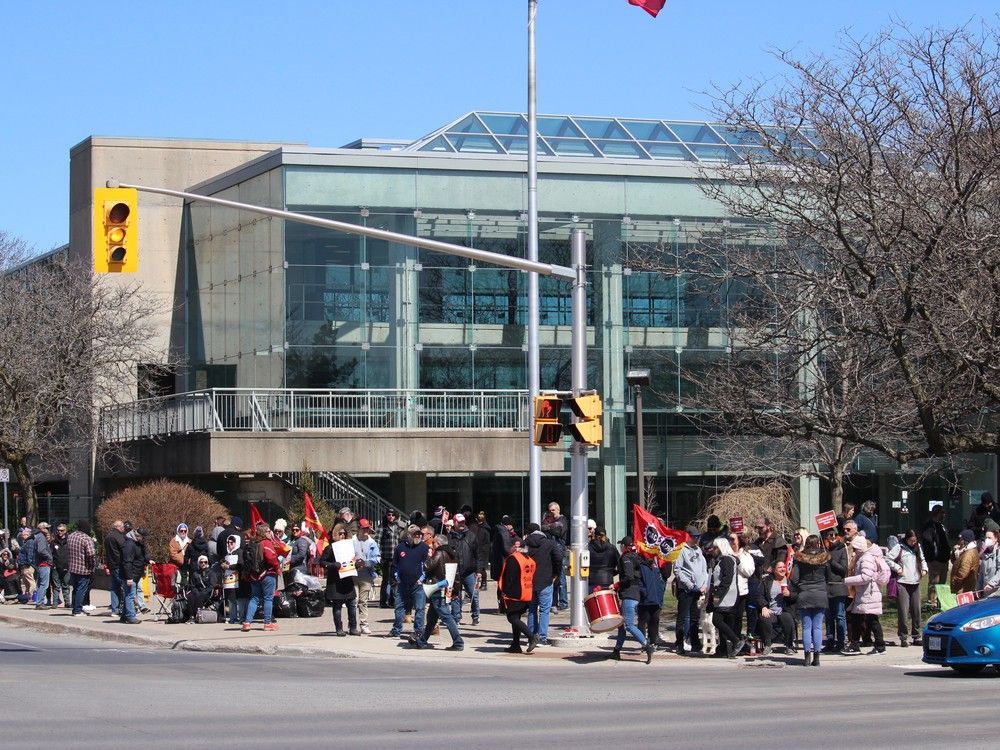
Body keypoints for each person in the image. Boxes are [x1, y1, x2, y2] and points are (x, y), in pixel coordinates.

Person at [409, 535, 464, 651]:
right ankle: (423, 641)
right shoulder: (452, 554)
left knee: (446, 616)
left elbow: (427, 566)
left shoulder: (439, 553)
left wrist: (429, 556)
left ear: (438, 543)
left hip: (437, 588)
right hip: (445, 588)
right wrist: (456, 589)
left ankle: (458, 642)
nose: (432, 544)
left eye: (433, 542)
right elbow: (457, 574)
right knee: (432, 617)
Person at [610, 537, 654, 663]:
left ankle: (647, 645)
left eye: (621, 545)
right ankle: (616, 651)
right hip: (636, 594)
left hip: (629, 595)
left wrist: (616, 585)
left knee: (628, 625)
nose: (620, 547)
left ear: (624, 546)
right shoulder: (637, 557)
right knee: (621, 626)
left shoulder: (626, 558)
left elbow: (629, 577)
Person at [844, 534, 887, 654]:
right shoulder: (863, 557)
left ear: (858, 548)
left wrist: (847, 581)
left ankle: (879, 646)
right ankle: (855, 645)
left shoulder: (866, 558)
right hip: (864, 593)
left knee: (872, 619)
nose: (853, 552)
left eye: (854, 549)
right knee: (857, 618)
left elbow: (866, 577)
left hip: (869, 594)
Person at [791, 534, 830, 666]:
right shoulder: (824, 558)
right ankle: (817, 657)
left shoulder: (799, 558)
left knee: (806, 627)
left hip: (805, 594)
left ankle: (807, 657)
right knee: (818, 627)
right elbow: (829, 576)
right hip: (820, 593)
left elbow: (794, 579)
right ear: (818, 544)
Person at [887, 529, 928, 647]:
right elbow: (888, 558)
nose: (913, 543)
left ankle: (916, 636)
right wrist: (897, 568)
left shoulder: (918, 547)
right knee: (903, 611)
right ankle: (903, 636)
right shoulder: (899, 547)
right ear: (906, 539)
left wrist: (924, 569)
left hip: (915, 582)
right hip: (902, 582)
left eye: (915, 541)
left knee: (916, 610)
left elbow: (922, 559)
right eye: (911, 541)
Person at [389, 525, 429, 639]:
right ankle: (396, 630)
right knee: (399, 607)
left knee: (420, 608)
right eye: (415, 534)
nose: (417, 536)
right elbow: (395, 565)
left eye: (419, 534)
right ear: (408, 535)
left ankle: (418, 631)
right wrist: (397, 578)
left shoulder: (424, 547)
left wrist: (422, 579)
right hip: (402, 583)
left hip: (418, 584)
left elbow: (427, 566)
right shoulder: (400, 547)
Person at [708, 537, 745, 658]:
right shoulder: (721, 560)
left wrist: (718, 595)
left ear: (721, 548)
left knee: (716, 620)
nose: (713, 550)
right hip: (724, 595)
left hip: (727, 596)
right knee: (723, 623)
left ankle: (736, 641)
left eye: (715, 547)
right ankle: (723, 649)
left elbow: (727, 580)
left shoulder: (727, 560)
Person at [673, 526, 708, 655]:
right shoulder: (682, 550)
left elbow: (704, 569)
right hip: (686, 589)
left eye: (698, 536)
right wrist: (688, 583)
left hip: (698, 589)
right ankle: (679, 643)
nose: (697, 539)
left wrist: (704, 584)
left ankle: (694, 642)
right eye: (694, 537)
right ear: (688, 536)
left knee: (695, 618)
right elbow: (677, 570)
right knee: (682, 617)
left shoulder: (699, 550)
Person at [524, 522, 561, 646]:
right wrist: (555, 574)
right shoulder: (549, 543)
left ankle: (531, 636)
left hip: (529, 581)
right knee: (544, 610)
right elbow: (558, 558)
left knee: (532, 609)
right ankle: (542, 638)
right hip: (546, 579)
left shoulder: (526, 543)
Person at [498, 538, 537, 653]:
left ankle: (531, 636)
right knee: (517, 618)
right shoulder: (529, 559)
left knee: (512, 618)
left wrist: (503, 593)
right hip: (526, 593)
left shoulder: (513, 559)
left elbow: (508, 578)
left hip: (514, 595)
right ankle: (515, 645)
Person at [241, 522, 282, 632]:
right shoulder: (266, 543)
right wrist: (277, 567)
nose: (271, 533)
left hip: (254, 575)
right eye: (269, 531)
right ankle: (267, 623)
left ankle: (247, 622)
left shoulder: (252, 543)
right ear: (264, 532)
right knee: (268, 598)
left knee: (254, 598)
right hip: (267, 574)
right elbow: (271, 557)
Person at [320, 528, 359, 636]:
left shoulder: (350, 547)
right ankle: (339, 628)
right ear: (336, 534)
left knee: (352, 604)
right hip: (335, 581)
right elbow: (322, 561)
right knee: (337, 606)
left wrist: (357, 564)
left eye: (344, 533)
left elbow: (353, 560)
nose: (342, 535)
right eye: (340, 533)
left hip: (347, 579)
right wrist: (332, 565)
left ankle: (353, 627)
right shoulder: (331, 547)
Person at [447, 513, 480, 626]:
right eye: (459, 522)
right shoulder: (449, 537)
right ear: (454, 523)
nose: (462, 524)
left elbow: (478, 554)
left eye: (463, 522)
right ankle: (456, 617)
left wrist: (479, 570)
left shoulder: (471, 536)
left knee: (473, 594)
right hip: (454, 571)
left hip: (469, 571)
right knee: (455, 595)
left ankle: (475, 616)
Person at [757, 559, 796, 654]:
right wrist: (763, 607)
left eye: (784, 567)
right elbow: (759, 596)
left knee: (787, 618)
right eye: (780, 567)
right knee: (765, 618)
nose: (783, 569)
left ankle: (789, 646)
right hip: (771, 610)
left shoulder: (790, 582)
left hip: (785, 610)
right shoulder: (766, 581)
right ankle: (767, 645)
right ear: (774, 570)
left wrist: (789, 594)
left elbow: (796, 597)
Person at [822, 529, 849, 654]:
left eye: (834, 535)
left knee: (839, 616)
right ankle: (830, 641)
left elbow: (843, 570)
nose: (832, 537)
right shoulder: (824, 551)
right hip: (826, 588)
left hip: (838, 587)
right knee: (828, 617)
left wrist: (831, 560)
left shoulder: (842, 549)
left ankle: (841, 642)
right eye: (829, 535)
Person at [353, 518, 380, 634]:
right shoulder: (352, 541)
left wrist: (367, 563)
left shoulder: (372, 542)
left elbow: (377, 558)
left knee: (363, 601)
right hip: (353, 574)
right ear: (358, 528)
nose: (366, 531)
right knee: (353, 600)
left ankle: (364, 624)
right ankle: (352, 625)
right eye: (364, 528)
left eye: (367, 528)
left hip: (366, 575)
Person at [921, 505, 951, 609]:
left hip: (944, 559)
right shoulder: (930, 526)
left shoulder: (942, 526)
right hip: (935, 560)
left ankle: (940, 602)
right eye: (942, 513)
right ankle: (931, 603)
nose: (944, 515)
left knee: (942, 583)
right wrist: (932, 557)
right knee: (934, 582)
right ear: (937, 513)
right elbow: (928, 542)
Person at [542, 502, 569, 610]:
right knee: (553, 577)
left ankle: (563, 602)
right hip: (552, 550)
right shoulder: (549, 520)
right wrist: (551, 527)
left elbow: (559, 532)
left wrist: (549, 527)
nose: (551, 512)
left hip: (559, 550)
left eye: (553, 510)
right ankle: (554, 602)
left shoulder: (562, 520)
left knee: (561, 577)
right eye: (549, 510)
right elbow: (543, 528)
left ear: (558, 510)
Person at [67, 520, 97, 617]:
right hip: (84, 568)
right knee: (81, 589)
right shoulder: (86, 538)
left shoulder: (71, 536)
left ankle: (75, 608)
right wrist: (92, 567)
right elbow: (91, 554)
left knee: (75, 589)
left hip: (73, 567)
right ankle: (78, 610)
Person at [638, 551, 666, 650]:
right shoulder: (640, 566)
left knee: (654, 620)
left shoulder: (655, 567)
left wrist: (660, 594)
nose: (651, 557)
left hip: (656, 599)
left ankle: (653, 642)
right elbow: (639, 582)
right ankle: (643, 643)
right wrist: (644, 593)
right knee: (643, 620)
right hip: (645, 600)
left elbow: (660, 581)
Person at [119, 527, 147, 624]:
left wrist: (148, 560)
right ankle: (131, 616)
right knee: (130, 596)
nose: (144, 539)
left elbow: (141, 556)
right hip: (131, 575)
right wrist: (129, 577)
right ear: (138, 536)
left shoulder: (137, 543)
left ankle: (124, 616)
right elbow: (127, 562)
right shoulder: (129, 544)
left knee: (129, 594)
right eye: (143, 537)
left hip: (135, 573)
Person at [378, 509, 406, 607]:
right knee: (385, 580)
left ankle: (393, 601)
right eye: (389, 515)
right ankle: (383, 601)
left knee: (394, 579)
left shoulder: (397, 527)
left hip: (396, 557)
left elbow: (400, 541)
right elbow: (377, 542)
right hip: (386, 557)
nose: (391, 517)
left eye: (393, 515)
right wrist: (379, 556)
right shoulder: (382, 527)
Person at [220, 534, 244, 624]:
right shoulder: (227, 552)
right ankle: (233, 618)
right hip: (229, 580)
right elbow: (223, 561)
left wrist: (229, 566)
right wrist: (222, 564)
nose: (229, 544)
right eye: (228, 542)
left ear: (236, 542)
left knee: (240, 600)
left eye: (232, 542)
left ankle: (242, 618)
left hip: (239, 580)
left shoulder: (240, 552)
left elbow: (241, 565)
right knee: (231, 598)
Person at [587, 527, 619, 594]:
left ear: (594, 536)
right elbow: (620, 564)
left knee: (593, 603)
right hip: (608, 581)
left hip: (592, 582)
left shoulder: (588, 548)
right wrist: (611, 572)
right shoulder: (612, 548)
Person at [951, 529, 980, 594]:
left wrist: (954, 581)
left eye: (960, 539)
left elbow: (963, 572)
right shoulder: (965, 550)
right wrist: (955, 552)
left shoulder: (968, 554)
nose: (959, 541)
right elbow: (955, 562)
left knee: (964, 604)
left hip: (964, 588)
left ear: (965, 541)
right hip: (965, 586)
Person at [490, 515, 518, 583]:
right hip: (502, 563)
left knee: (500, 585)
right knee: (503, 586)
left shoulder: (498, 530)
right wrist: (515, 548)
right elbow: (508, 550)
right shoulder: (504, 532)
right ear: (508, 525)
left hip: (497, 562)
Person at [50, 524, 71, 607]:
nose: (59, 532)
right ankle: (55, 603)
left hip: (66, 566)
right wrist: (52, 564)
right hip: (56, 567)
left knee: (66, 585)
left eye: (62, 530)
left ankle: (67, 602)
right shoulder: (54, 542)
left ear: (65, 531)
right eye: (58, 530)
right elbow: (50, 554)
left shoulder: (69, 541)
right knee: (56, 586)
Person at [33, 522, 52, 609]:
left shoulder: (39, 537)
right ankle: (40, 603)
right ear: (42, 529)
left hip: (41, 564)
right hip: (43, 564)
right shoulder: (41, 537)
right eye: (46, 528)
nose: (48, 530)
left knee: (41, 584)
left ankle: (39, 602)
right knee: (44, 584)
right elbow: (41, 550)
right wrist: (49, 556)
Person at [471, 510, 492, 591]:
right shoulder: (478, 528)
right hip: (478, 549)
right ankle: (478, 583)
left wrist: (482, 549)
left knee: (482, 568)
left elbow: (486, 542)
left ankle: (484, 583)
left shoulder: (484, 529)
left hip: (483, 551)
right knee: (478, 567)